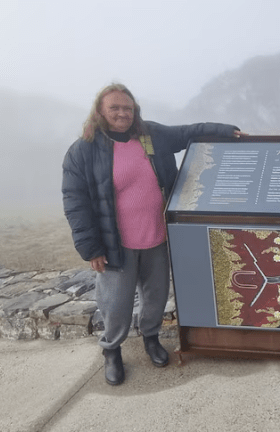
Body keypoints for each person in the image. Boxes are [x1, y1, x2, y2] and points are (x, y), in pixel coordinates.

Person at [62, 83, 244, 386]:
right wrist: (90, 248)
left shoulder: (151, 135)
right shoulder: (84, 150)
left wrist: (227, 130)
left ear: (135, 111)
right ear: (100, 112)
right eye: (115, 108)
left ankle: (151, 338)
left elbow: (189, 132)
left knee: (156, 297)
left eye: (128, 108)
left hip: (157, 237)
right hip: (114, 244)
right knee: (116, 303)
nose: (122, 113)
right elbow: (75, 201)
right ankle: (112, 350)